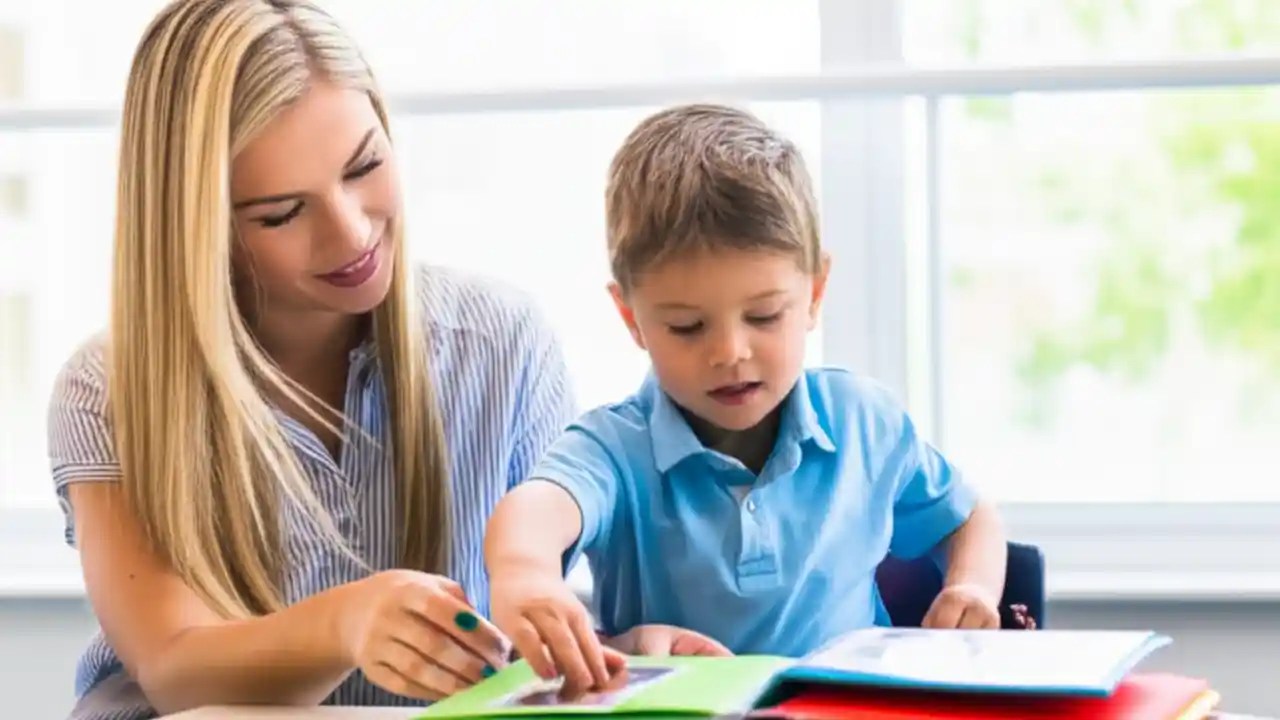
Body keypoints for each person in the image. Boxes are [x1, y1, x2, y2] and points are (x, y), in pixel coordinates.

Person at [43, 0, 680, 717]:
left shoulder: (504, 342)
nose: (350, 235)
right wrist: (345, 624)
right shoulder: (107, 391)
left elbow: (519, 648)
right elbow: (175, 674)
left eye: (365, 166)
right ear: (197, 227)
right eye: (282, 213)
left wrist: (618, 650)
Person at [484, 103, 1009, 692]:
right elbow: (539, 506)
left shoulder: (865, 422)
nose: (730, 352)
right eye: (687, 327)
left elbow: (970, 517)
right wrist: (526, 572)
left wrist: (971, 587)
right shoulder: (613, 448)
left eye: (764, 316)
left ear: (815, 294)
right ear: (631, 319)